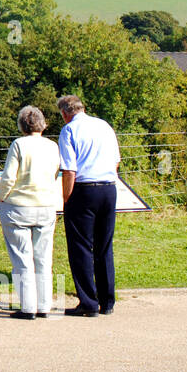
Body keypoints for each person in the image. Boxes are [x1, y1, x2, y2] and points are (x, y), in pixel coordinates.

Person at [56, 94, 122, 317]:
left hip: (84, 188)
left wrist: (66, 198)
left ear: (65, 113)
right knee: (104, 246)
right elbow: (116, 161)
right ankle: (108, 301)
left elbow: (69, 169)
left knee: (81, 247)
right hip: (108, 186)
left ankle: (88, 302)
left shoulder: (69, 130)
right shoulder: (104, 126)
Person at [0, 105, 61, 319]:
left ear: (22, 124)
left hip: (19, 206)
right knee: (43, 257)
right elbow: (55, 172)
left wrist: (2, 197)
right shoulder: (52, 146)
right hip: (45, 205)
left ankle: (28, 307)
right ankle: (44, 305)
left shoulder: (19, 145)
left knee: (22, 258)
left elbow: (9, 177)